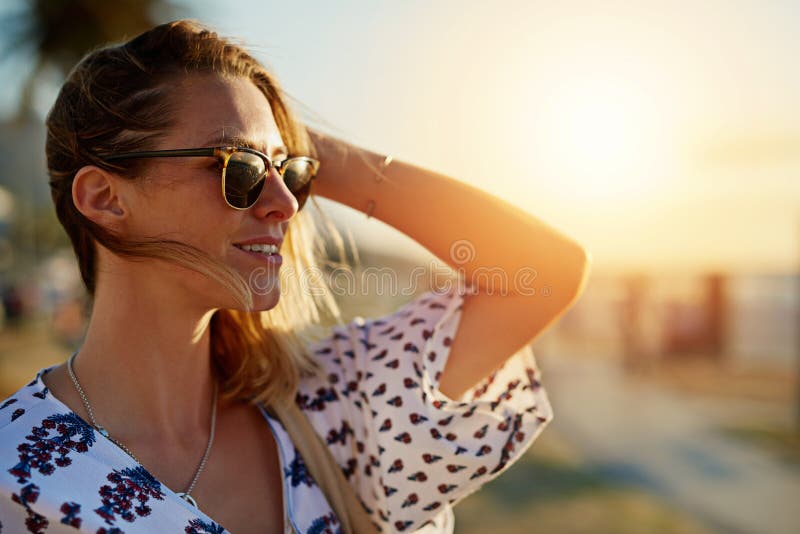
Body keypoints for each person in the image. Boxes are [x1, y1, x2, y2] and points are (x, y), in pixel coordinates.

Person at [0, 19, 590, 534]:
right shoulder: (14, 476)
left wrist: (303, 149)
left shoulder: (328, 405)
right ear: (105, 197)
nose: (286, 202)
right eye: (240, 167)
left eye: (293, 173)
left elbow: (539, 271)